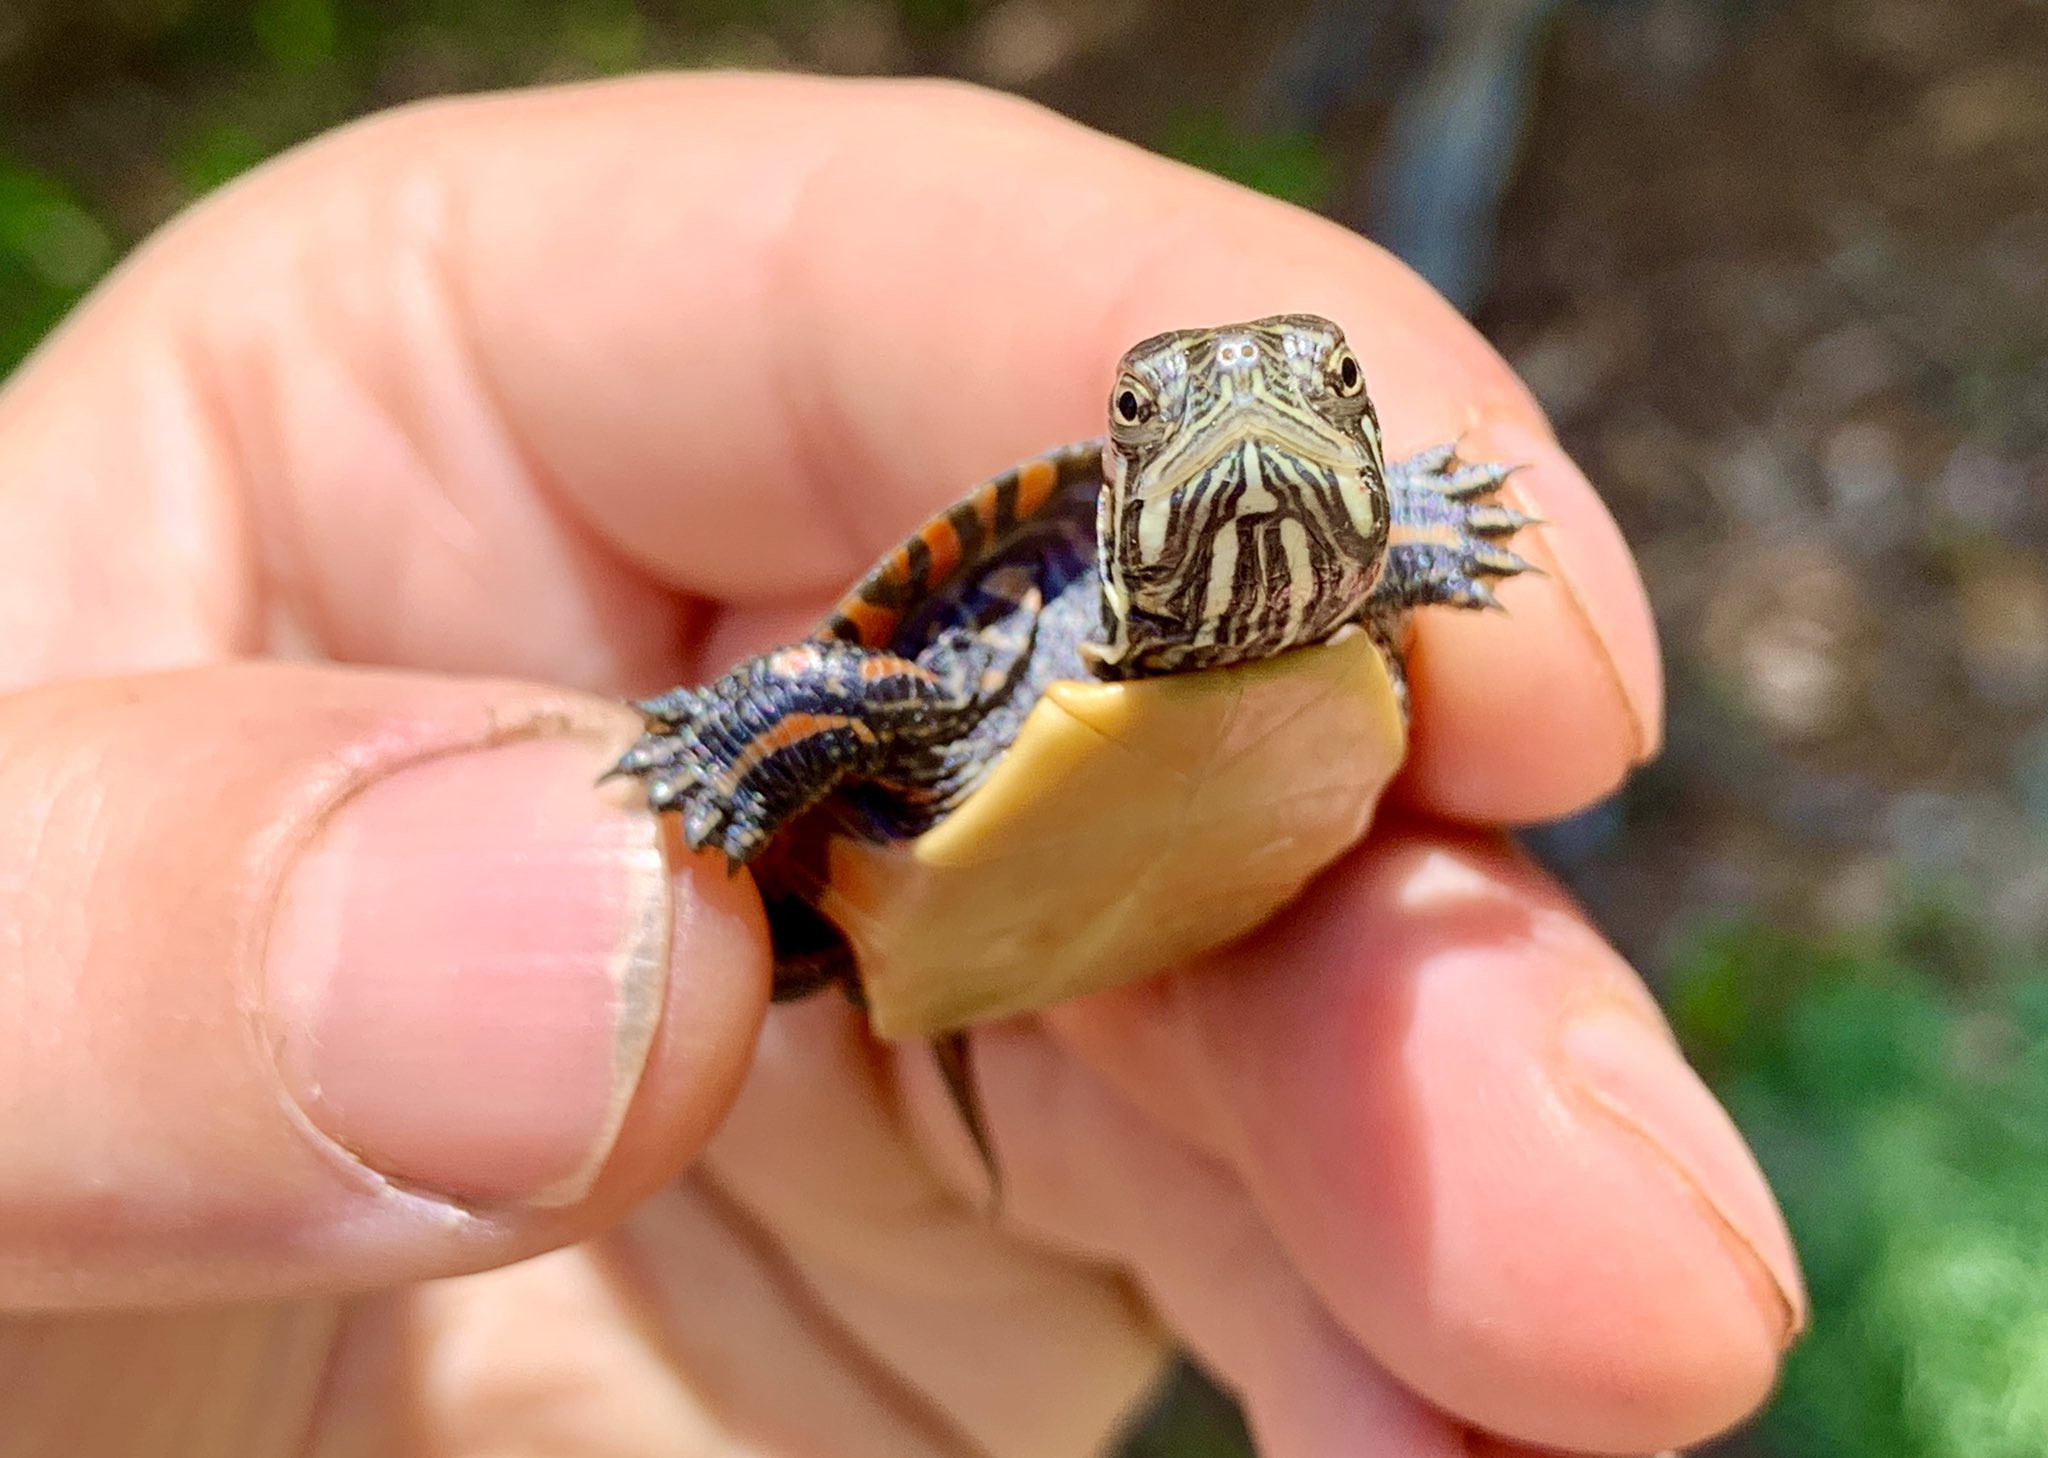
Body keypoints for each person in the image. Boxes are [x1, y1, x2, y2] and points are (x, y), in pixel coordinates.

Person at [0, 73, 1801, 1458]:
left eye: (1309, 407)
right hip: (917, 880)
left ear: (1344, 453)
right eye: (1192, 408)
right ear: (1141, 458)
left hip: (1193, 896)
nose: (1251, 420)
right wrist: (731, 749)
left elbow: (1390, 598)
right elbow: (856, 692)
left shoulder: (1350, 590)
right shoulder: (1012, 650)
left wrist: (1420, 527)